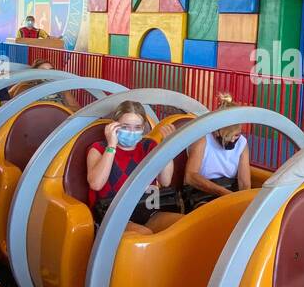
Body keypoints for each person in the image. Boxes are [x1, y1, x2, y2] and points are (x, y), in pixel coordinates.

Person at [84, 101, 181, 235]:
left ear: (143, 128)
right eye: (125, 126)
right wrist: (112, 145)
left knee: (183, 225)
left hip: (147, 208)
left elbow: (165, 181)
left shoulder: (149, 146)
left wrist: (167, 147)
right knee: (144, 234)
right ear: (114, 126)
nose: (131, 132)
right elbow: (96, 184)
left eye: (137, 127)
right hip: (113, 214)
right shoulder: (99, 149)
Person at [183, 92, 251, 211]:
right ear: (217, 131)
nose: (234, 139)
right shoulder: (203, 140)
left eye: (236, 135)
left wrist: (243, 203)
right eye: (229, 136)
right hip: (202, 193)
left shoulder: (242, 144)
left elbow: (245, 184)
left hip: (228, 191)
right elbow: (190, 176)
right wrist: (222, 193)